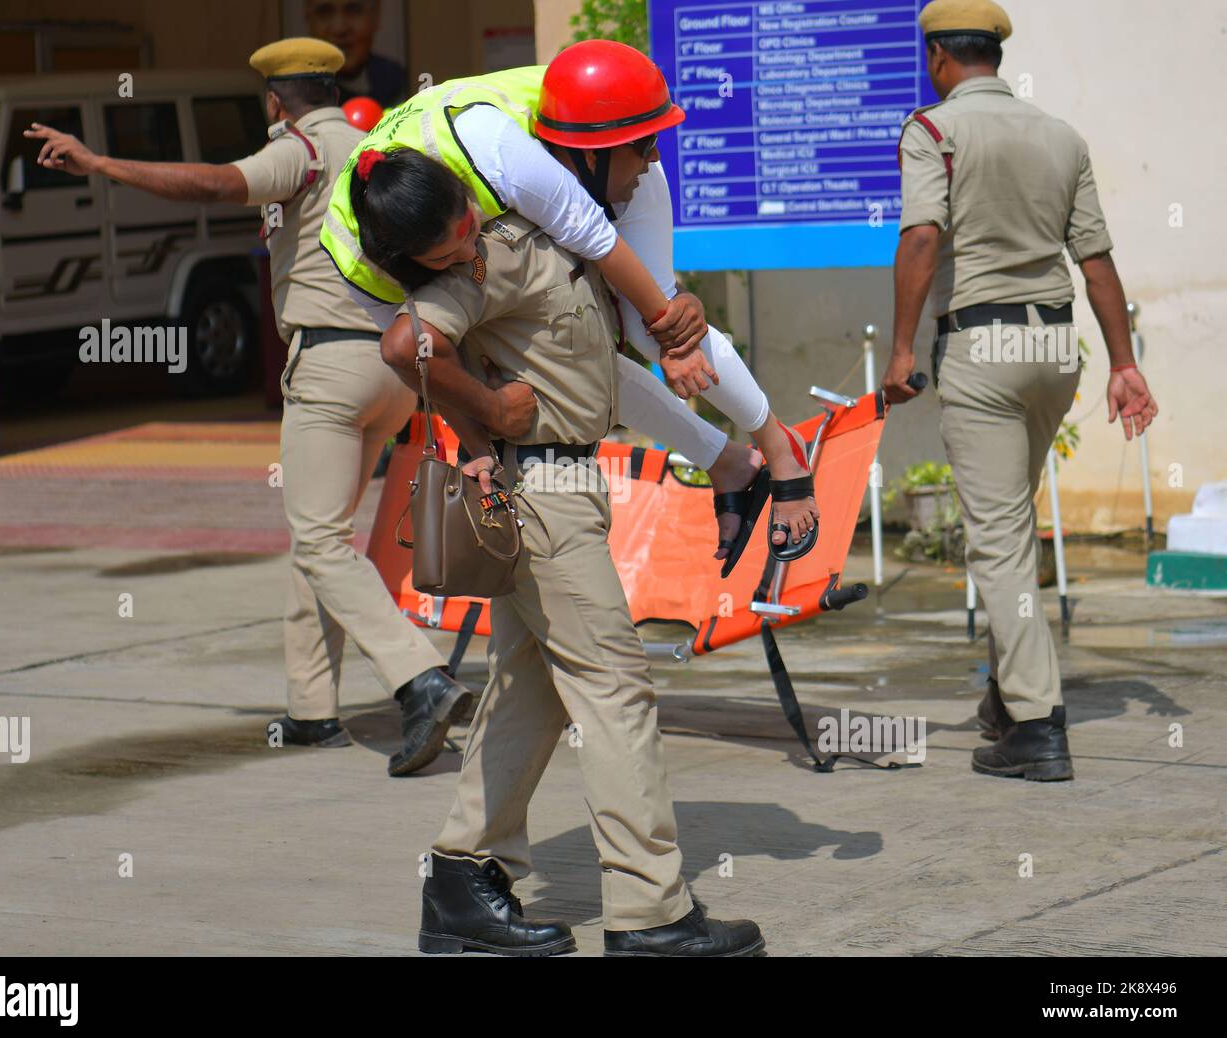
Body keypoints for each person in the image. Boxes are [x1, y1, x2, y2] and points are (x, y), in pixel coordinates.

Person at [25, 38, 473, 776]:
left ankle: (420, 679)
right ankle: (311, 709)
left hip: (330, 369)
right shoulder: (376, 145)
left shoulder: (301, 151)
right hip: (395, 369)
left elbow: (212, 184)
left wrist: (101, 164)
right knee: (318, 537)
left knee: (322, 542)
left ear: (275, 100)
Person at [377, 163, 765, 955]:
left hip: (565, 484)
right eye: (633, 149)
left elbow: (622, 365)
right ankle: (650, 912)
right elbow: (406, 342)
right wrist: (485, 412)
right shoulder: (499, 253)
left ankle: (461, 877)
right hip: (541, 495)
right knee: (615, 691)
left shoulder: (574, 239)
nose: (646, 165)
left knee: (530, 690)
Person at [321, 41, 820, 574]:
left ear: (465, 192)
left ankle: (779, 445)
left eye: (472, 231)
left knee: (646, 327)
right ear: (409, 262)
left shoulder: (494, 153)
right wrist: (479, 441)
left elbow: (595, 235)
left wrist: (667, 330)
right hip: (581, 157)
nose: (471, 254)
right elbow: (428, 365)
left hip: (604, 140)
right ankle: (730, 464)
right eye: (449, 256)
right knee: (552, 354)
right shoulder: (360, 266)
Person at [882, 0, 1159, 781]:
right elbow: (1096, 261)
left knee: (997, 540)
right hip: (1053, 349)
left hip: (983, 346)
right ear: (994, 57)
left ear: (938, 58)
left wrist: (902, 347)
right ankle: (1007, 697)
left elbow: (923, 236)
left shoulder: (933, 130)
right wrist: (1125, 364)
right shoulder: (1061, 136)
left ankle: (1037, 727)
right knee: (1013, 518)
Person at [304, 0, 406, 107]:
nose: (339, 29)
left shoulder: (400, 83)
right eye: (324, 12)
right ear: (308, 18)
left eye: (354, 10)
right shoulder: (294, 96)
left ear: (375, 15)